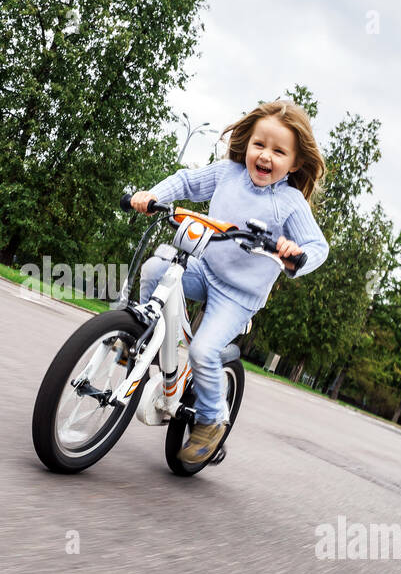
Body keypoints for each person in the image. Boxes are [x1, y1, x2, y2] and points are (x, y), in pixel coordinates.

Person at [130, 99, 330, 463]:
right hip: (204, 268)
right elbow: (188, 182)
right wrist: (155, 195)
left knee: (205, 351)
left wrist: (295, 255)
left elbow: (318, 247)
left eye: (278, 151)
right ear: (247, 144)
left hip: (238, 296)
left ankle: (212, 422)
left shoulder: (289, 203)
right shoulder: (228, 173)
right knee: (155, 270)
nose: (265, 156)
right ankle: (141, 339)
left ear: (296, 163)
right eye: (260, 145)